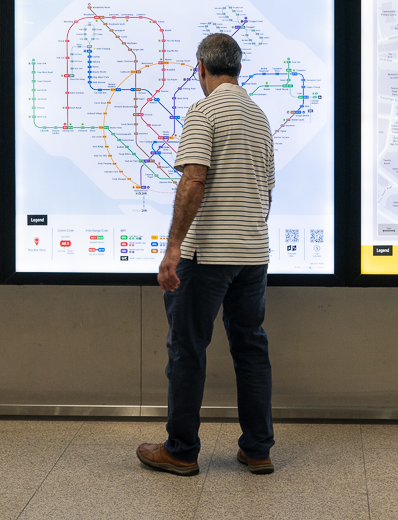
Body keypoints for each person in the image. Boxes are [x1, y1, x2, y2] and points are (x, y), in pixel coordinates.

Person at [137, 33, 276, 477]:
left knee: (187, 350)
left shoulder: (204, 110)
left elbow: (194, 179)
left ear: (201, 68)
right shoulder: (259, 116)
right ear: (238, 69)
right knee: (251, 349)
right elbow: (267, 189)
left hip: (208, 253)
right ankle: (258, 449)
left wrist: (174, 247)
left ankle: (180, 451)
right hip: (253, 254)